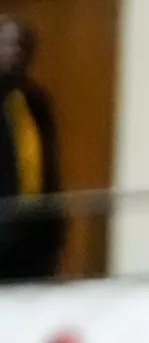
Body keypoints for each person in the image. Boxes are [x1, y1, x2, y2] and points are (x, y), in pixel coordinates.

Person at [0, 16, 62, 282]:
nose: (15, 51)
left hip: (33, 234)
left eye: (21, 45)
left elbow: (48, 165)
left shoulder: (36, 100)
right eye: (6, 43)